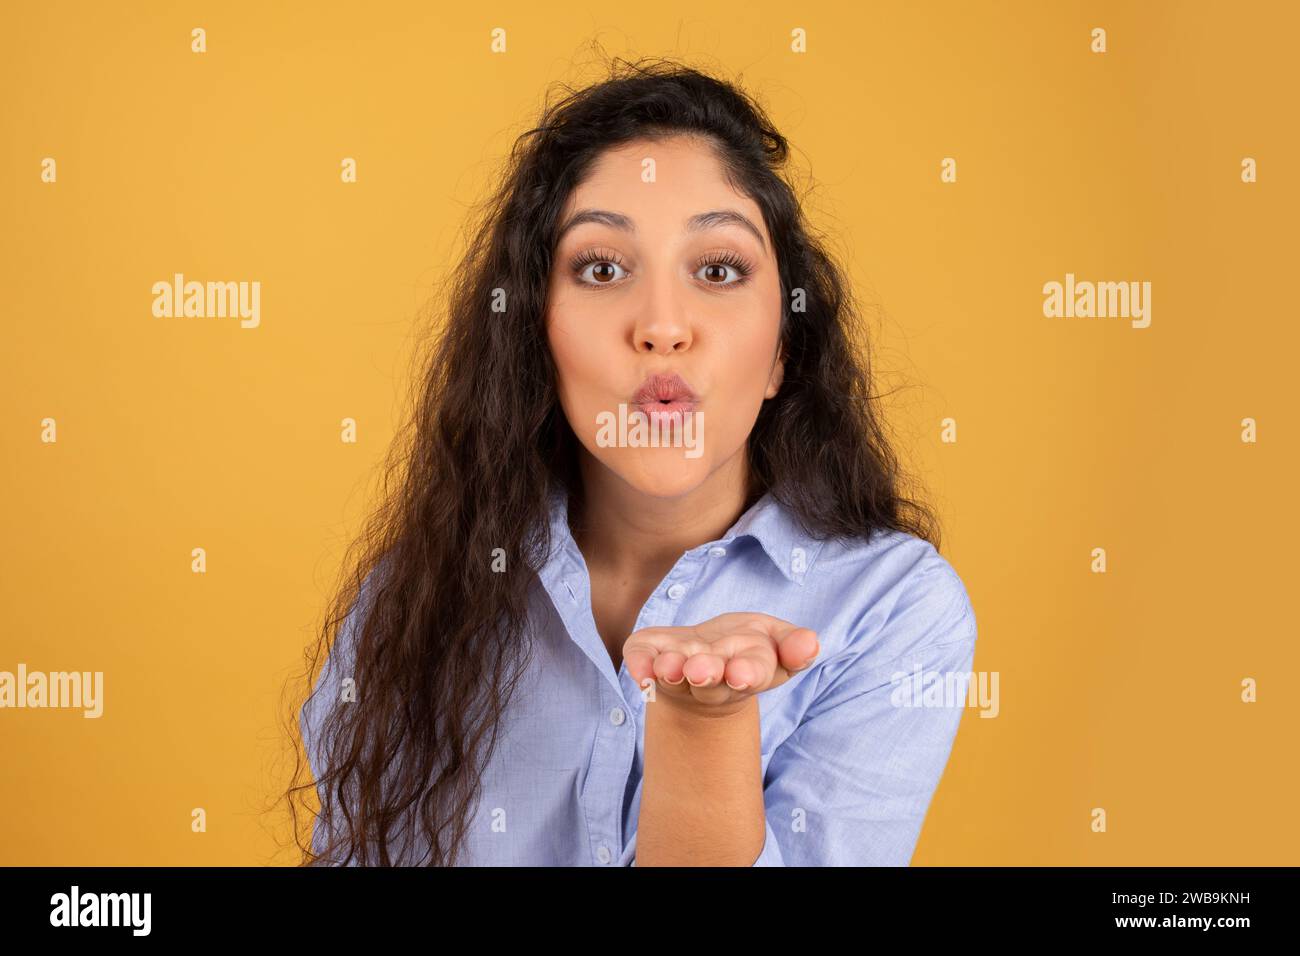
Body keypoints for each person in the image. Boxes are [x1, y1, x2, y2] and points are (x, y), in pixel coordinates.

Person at [290, 56, 977, 867]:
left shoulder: (892, 606)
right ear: (534, 337)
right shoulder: (416, 594)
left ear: (782, 352)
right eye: (602, 268)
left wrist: (706, 724)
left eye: (718, 270)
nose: (661, 326)